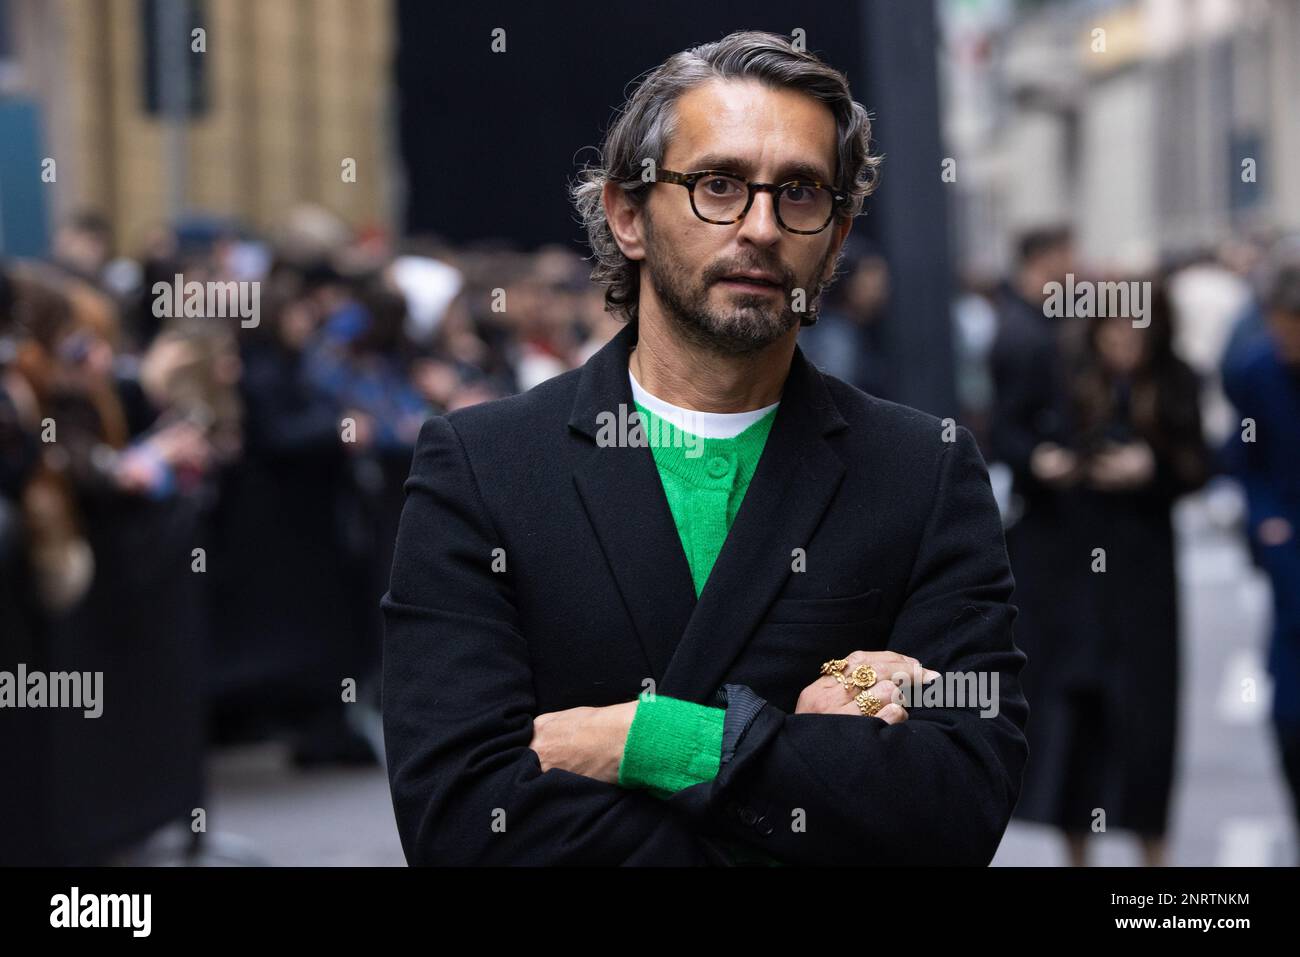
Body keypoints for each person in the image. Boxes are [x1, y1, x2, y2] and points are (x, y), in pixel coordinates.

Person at [382, 30, 1028, 866]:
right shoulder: (484, 469)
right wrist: (803, 762)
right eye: (718, 185)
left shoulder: (922, 471)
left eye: (800, 193)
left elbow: (960, 800)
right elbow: (462, 822)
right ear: (628, 214)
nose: (760, 227)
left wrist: (651, 738)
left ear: (834, 237)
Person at [1003, 283, 1210, 866]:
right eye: (1112, 332)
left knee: (1146, 722)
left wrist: (1153, 468)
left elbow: (1201, 462)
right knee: (1073, 718)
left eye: (1135, 333)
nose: (1123, 344)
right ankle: (1079, 855)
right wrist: (1044, 461)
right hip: (1066, 570)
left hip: (1140, 573)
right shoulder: (1059, 370)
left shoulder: (1175, 380)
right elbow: (1007, 433)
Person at [1221, 259, 1300, 844]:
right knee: (1291, 708)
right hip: (1288, 543)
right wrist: (1265, 519)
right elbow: (1242, 457)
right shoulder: (1256, 369)